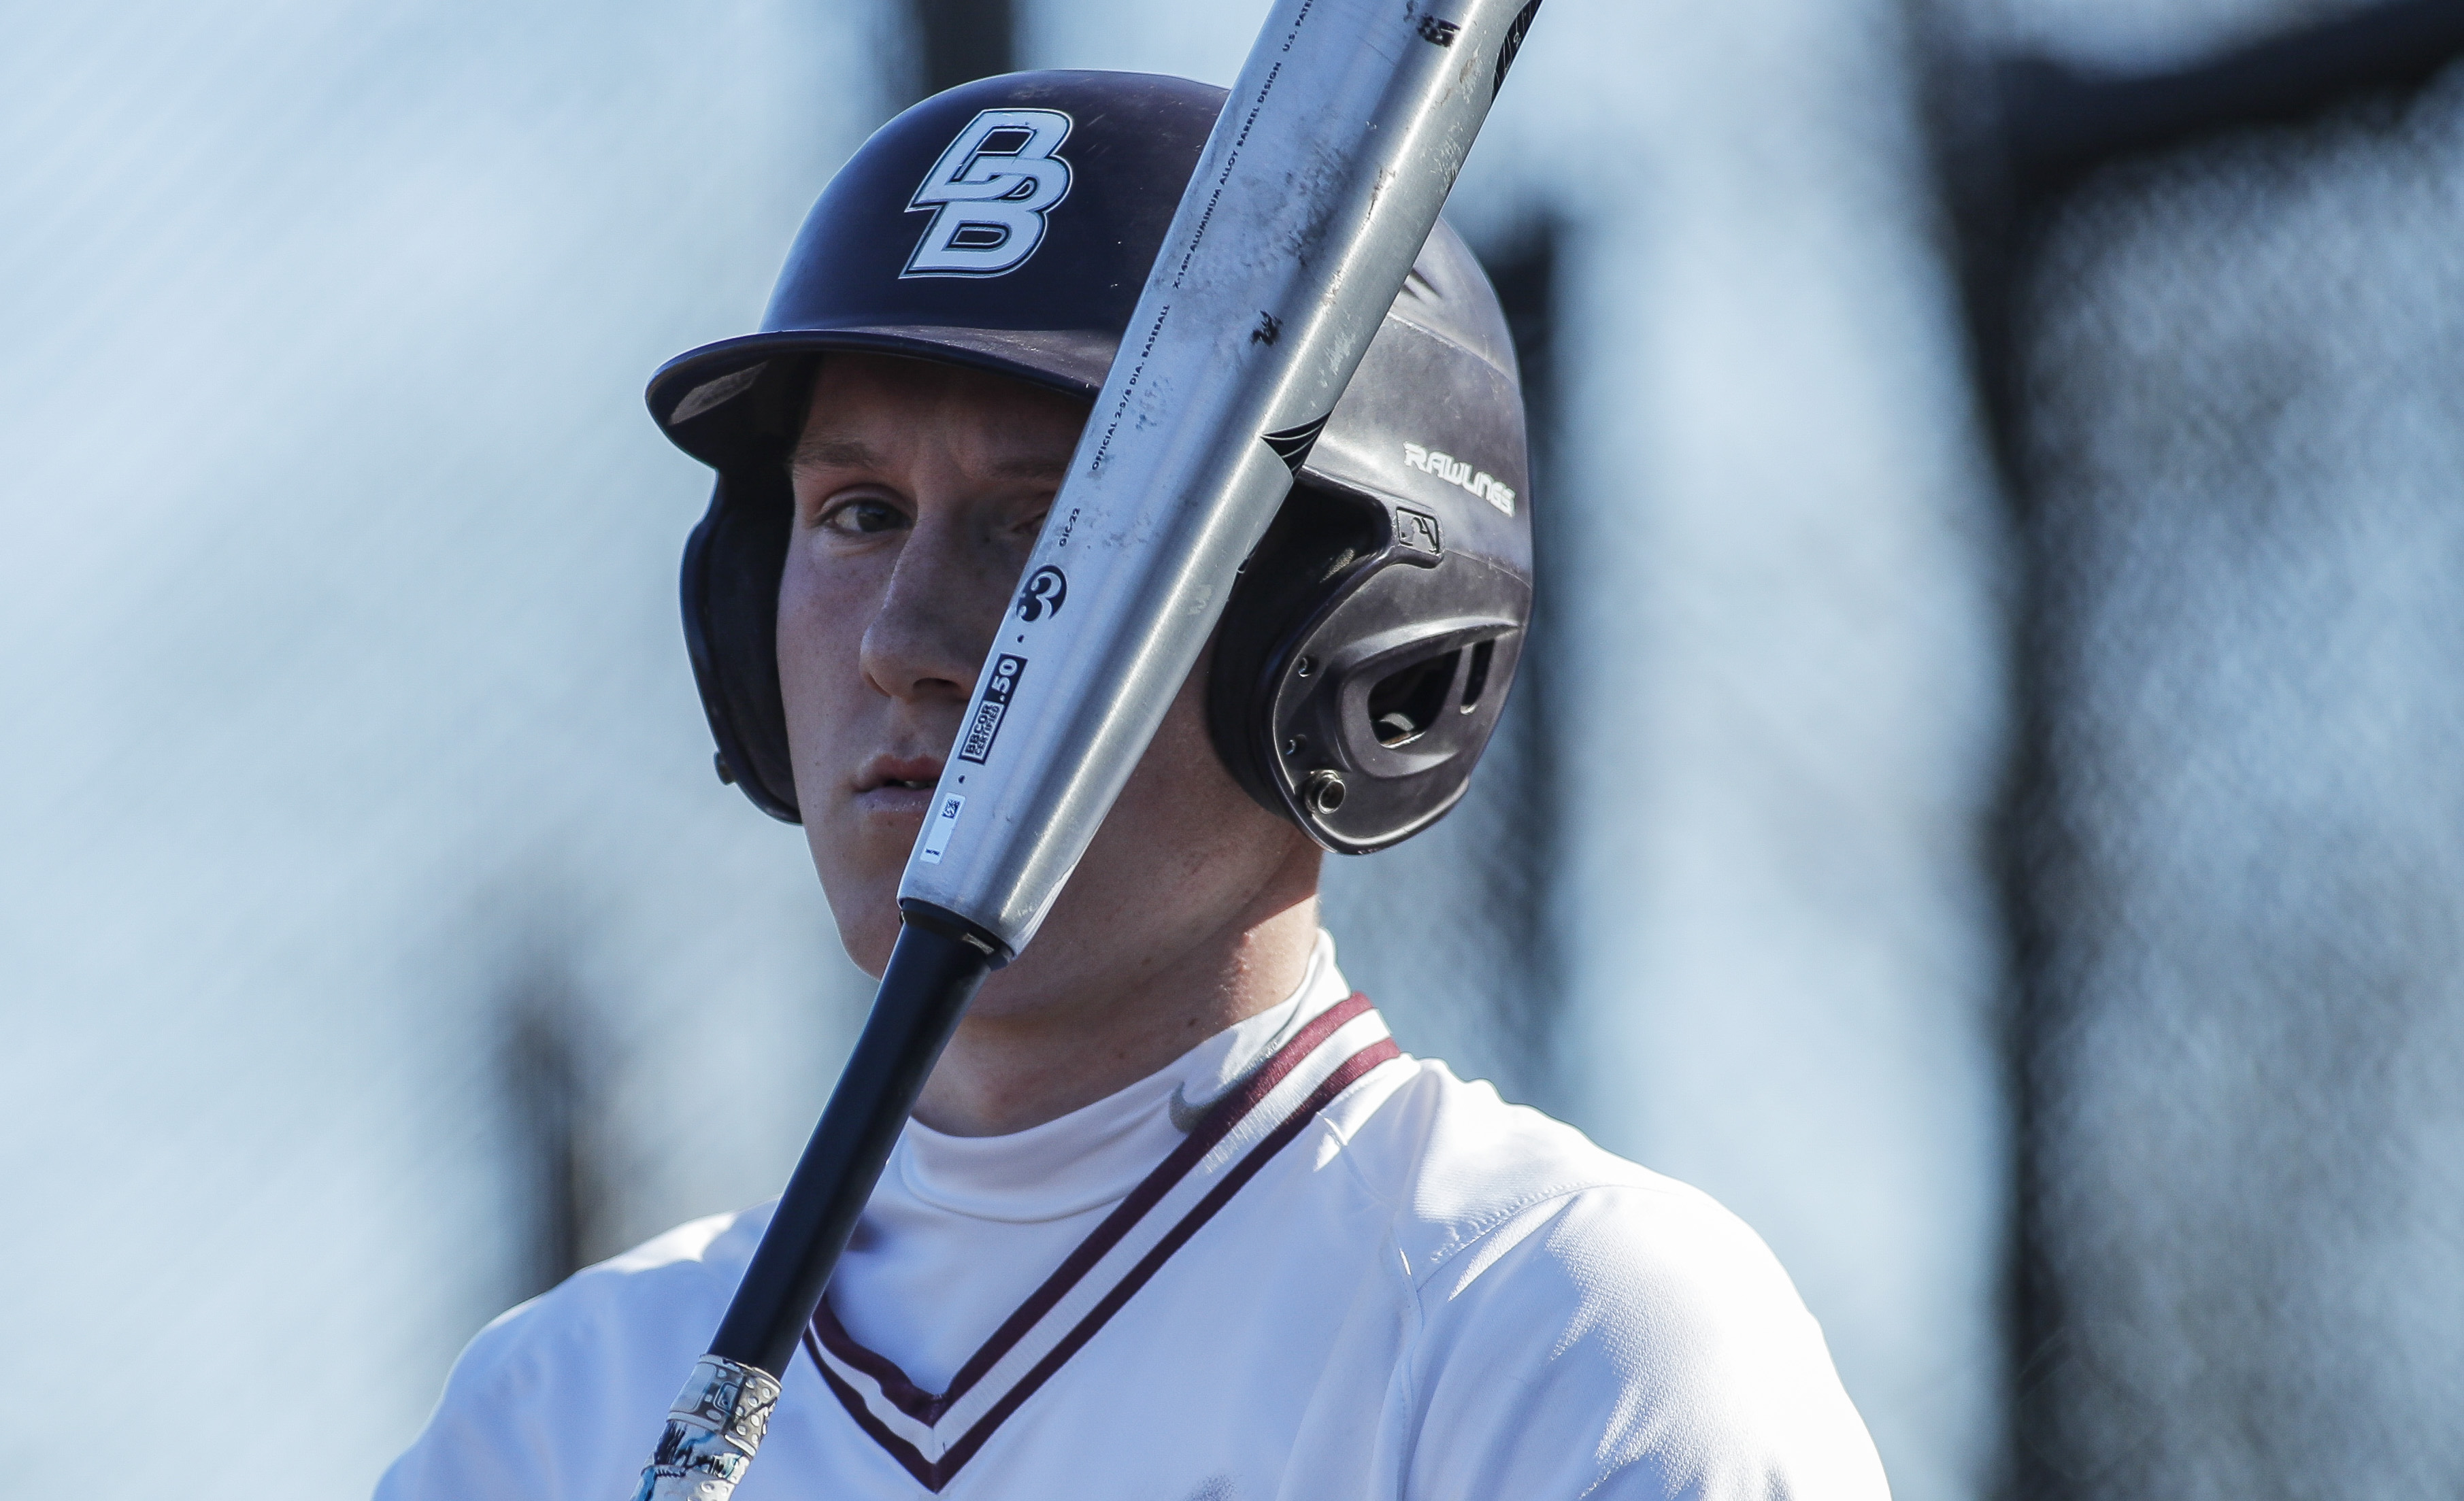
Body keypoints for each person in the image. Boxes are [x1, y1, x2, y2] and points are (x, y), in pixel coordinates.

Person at [378, 70, 1890, 1500]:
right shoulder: (560, 1414)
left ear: (1353, 644)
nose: (903, 641)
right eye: (853, 512)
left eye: (1046, 522)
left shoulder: (1545, 1332)